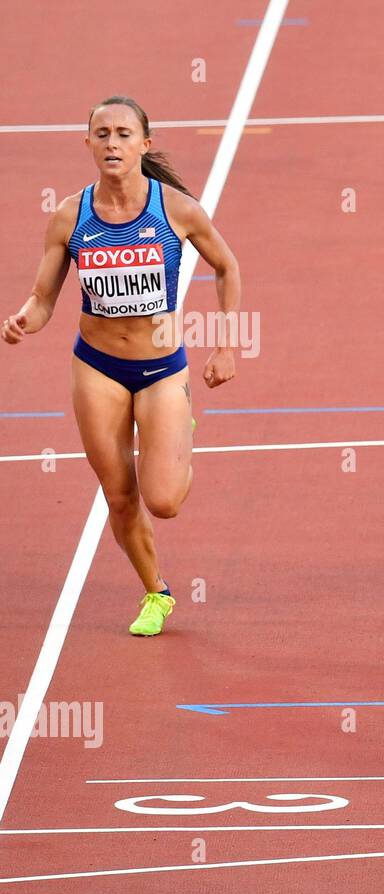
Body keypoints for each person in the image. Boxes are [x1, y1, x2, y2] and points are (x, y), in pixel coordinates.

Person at [2, 96, 239, 636]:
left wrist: (225, 345)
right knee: (119, 495)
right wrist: (22, 319)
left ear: (144, 145)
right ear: (87, 143)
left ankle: (181, 428)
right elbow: (43, 299)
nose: (113, 142)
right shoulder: (70, 214)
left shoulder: (175, 209)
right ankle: (156, 592)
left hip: (161, 370)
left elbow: (228, 266)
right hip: (97, 368)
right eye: (102, 134)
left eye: (124, 134)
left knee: (165, 501)